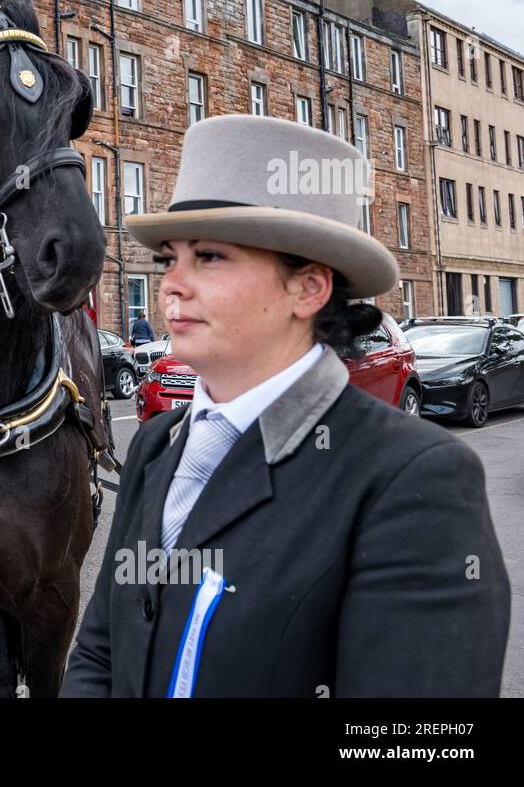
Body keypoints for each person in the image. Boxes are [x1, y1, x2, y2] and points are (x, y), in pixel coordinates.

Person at [61, 116, 510, 697]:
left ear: (309, 288)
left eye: (211, 257)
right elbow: (100, 651)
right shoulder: (156, 445)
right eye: (170, 257)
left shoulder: (414, 478)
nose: (172, 284)